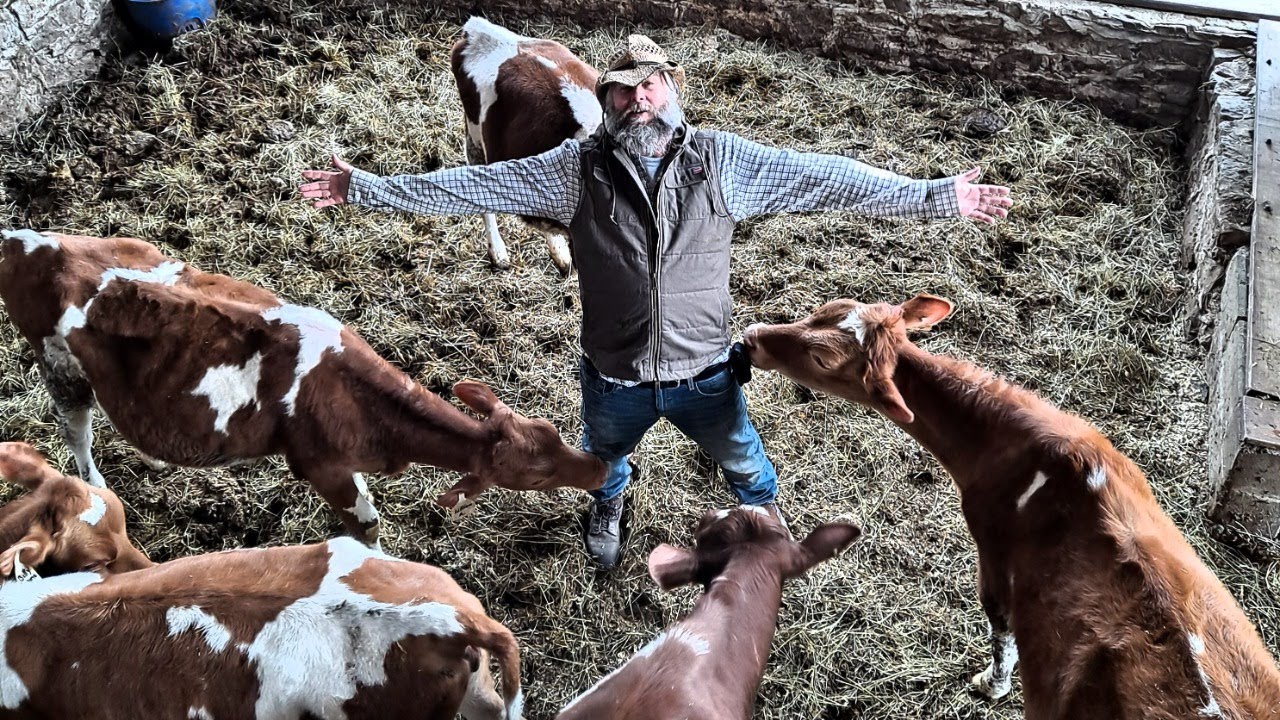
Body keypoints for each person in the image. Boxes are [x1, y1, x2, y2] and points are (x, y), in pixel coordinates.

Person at [299, 33, 1013, 569]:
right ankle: (607, 513)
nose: (637, 98)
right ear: (605, 102)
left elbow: (825, 178)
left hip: (706, 371)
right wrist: (365, 187)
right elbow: (471, 187)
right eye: (622, 89)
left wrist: (933, 197)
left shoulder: (724, 161)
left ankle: (765, 522)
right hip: (616, 377)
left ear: (671, 92)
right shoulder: (574, 170)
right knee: (605, 460)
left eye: (652, 85)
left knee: (744, 457)